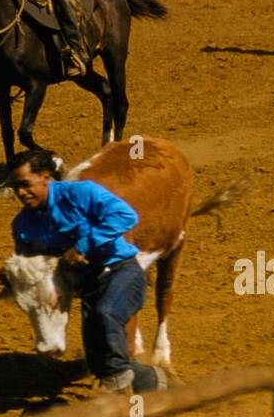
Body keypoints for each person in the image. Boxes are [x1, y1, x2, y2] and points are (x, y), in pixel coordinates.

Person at [9, 149, 170, 394]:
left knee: (106, 315)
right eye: (15, 187)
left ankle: (120, 395)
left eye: (25, 184)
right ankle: (152, 381)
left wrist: (83, 245)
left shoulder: (81, 193)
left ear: (45, 177)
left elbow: (125, 216)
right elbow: (31, 265)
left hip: (120, 271)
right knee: (97, 361)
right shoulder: (22, 225)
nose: (20, 193)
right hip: (88, 285)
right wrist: (11, 275)